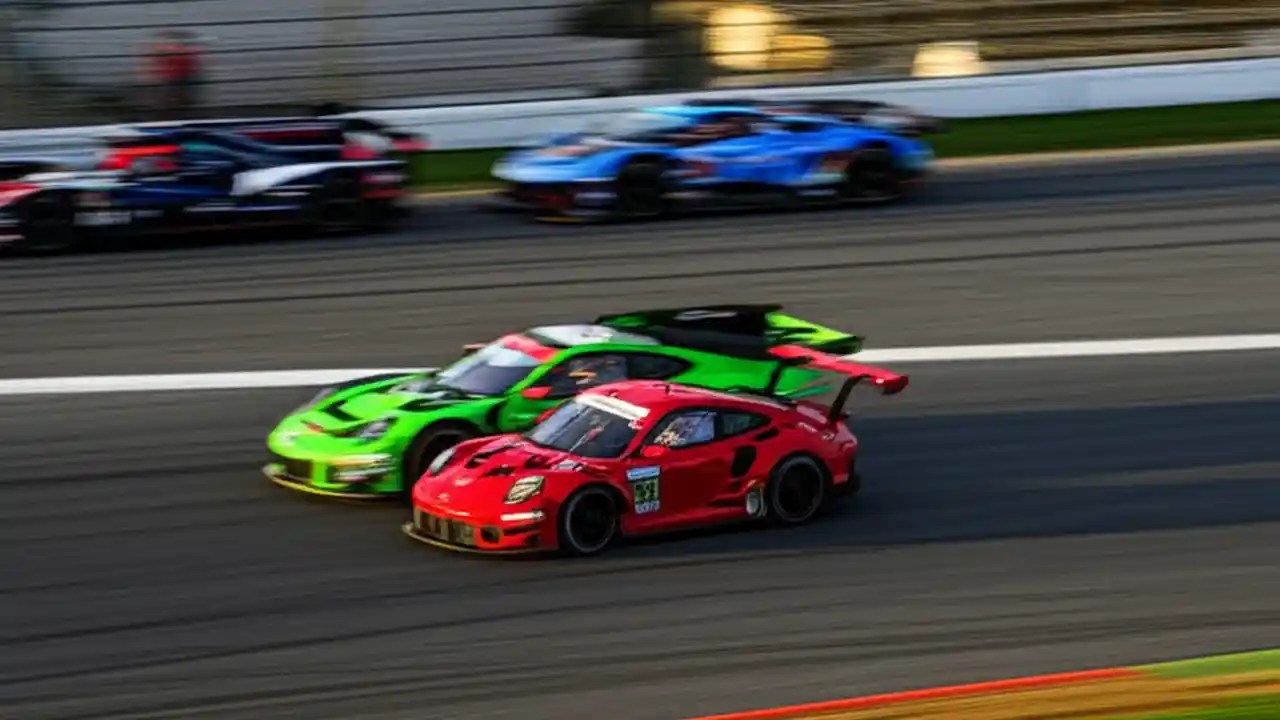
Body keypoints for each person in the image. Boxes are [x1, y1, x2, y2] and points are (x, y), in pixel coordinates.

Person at [146, 30, 202, 118]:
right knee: (176, 97)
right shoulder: (181, 49)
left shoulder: (169, 49)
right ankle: (175, 113)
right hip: (176, 77)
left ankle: (174, 112)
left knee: (176, 97)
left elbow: (159, 61)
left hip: (177, 77)